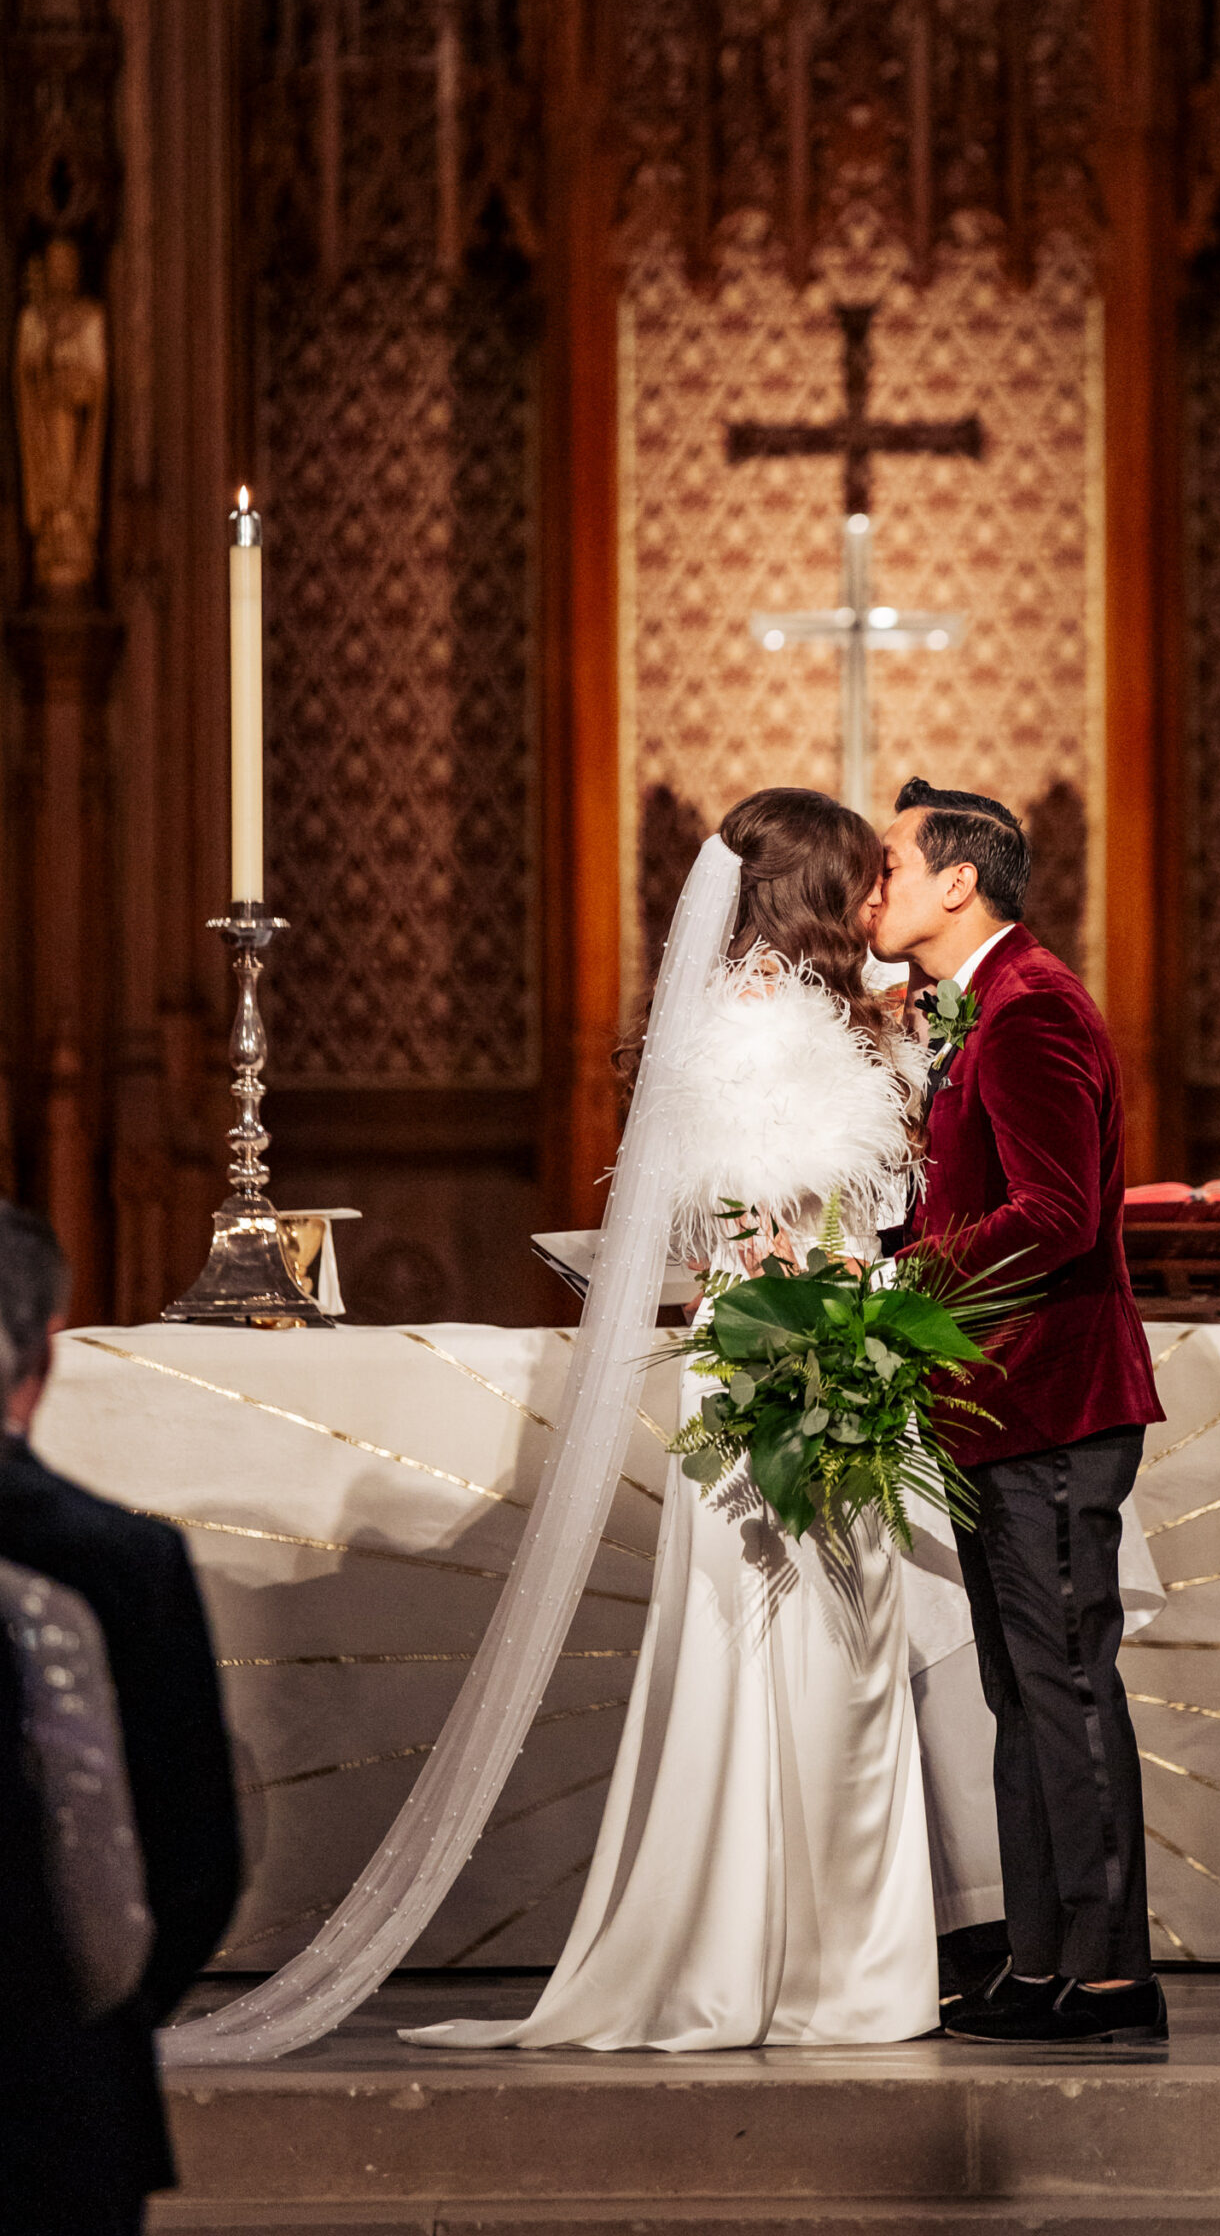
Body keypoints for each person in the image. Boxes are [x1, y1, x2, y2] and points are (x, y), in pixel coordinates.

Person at [405, 787, 938, 2052]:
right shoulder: (761, 1026)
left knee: (822, 1659)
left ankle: (804, 1958)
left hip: (796, 1345)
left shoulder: (786, 1014)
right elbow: (787, 1222)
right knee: (814, 1657)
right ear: (817, 891)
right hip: (791, 1361)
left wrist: (902, 1056)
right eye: (863, 880)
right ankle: (809, 1969)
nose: (879, 904)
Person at [870, 777, 1168, 2048]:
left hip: (1052, 1396)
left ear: (959, 881)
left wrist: (896, 1281)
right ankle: (1044, 1959)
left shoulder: (1034, 1008)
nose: (868, 889)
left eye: (888, 863)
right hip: (1000, 1403)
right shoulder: (982, 1006)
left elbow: (1055, 1215)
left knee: (1067, 1686)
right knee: (1023, 1691)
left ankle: (1108, 1977)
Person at [0, 1204, 242, 2229]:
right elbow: (197, 1860)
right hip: (54, 2091)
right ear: (48, 1344)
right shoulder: (123, 1561)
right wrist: (93, 2021)